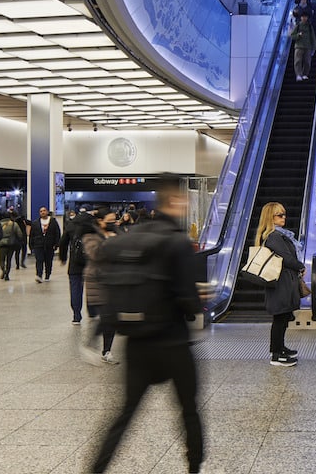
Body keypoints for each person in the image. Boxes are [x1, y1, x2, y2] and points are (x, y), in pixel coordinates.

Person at [89, 194, 205, 474]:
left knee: (125, 414)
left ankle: (95, 469)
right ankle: (194, 466)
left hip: (137, 344)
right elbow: (190, 304)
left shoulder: (129, 238)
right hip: (173, 342)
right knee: (188, 410)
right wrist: (196, 300)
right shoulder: (177, 242)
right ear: (175, 202)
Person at [256, 202, 304, 366]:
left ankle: (281, 348)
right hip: (279, 282)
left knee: (283, 317)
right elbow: (286, 257)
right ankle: (276, 354)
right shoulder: (274, 236)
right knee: (280, 317)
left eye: (284, 214)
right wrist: (300, 266)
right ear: (270, 217)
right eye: (279, 215)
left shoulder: (280, 235)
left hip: (284, 281)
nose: (284, 217)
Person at [82, 207, 120, 365]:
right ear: (100, 221)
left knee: (112, 318)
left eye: (114, 221)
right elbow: (95, 254)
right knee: (107, 316)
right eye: (109, 221)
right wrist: (110, 241)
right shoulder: (90, 236)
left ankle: (106, 351)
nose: (113, 224)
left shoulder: (116, 234)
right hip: (97, 282)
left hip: (113, 280)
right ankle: (91, 344)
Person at [59, 209, 95, 325]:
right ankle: (92, 311)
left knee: (75, 289)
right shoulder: (93, 225)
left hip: (75, 263)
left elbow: (63, 242)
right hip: (91, 261)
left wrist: (63, 257)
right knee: (92, 287)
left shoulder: (71, 225)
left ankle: (76, 315)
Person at [29, 205, 62, 283]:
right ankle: (39, 275)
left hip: (49, 245)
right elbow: (32, 234)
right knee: (39, 260)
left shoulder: (53, 221)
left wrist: (56, 244)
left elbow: (57, 233)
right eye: (41, 211)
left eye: (44, 211)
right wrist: (31, 245)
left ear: (47, 212)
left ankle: (47, 274)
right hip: (38, 245)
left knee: (48, 261)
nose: (42, 212)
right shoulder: (35, 223)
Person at [0, 209, 25, 280]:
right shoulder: (14, 224)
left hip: (2, 244)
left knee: (2, 260)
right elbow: (20, 234)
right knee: (9, 260)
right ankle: (7, 274)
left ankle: (3, 270)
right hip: (11, 244)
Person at [289, 11, 316, 81]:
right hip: (299, 46)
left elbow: (313, 37)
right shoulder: (298, 26)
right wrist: (298, 35)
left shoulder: (310, 27)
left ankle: (305, 74)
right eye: (303, 17)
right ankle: (298, 74)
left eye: (305, 17)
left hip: (308, 46)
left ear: (307, 18)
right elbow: (292, 36)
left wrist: (313, 47)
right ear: (301, 18)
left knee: (307, 61)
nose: (304, 18)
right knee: (298, 61)